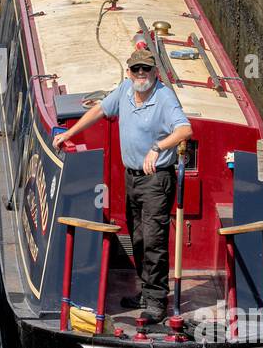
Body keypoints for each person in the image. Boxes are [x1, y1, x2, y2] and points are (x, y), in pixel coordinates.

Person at [52, 49, 192, 323]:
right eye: (136, 70)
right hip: (132, 178)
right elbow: (99, 110)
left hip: (156, 179)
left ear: (155, 73)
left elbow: (185, 130)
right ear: (129, 73)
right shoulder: (126, 90)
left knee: (154, 240)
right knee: (137, 237)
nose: (141, 75)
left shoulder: (164, 98)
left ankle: (156, 301)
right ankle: (145, 290)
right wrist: (69, 133)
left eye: (146, 70)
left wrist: (158, 147)